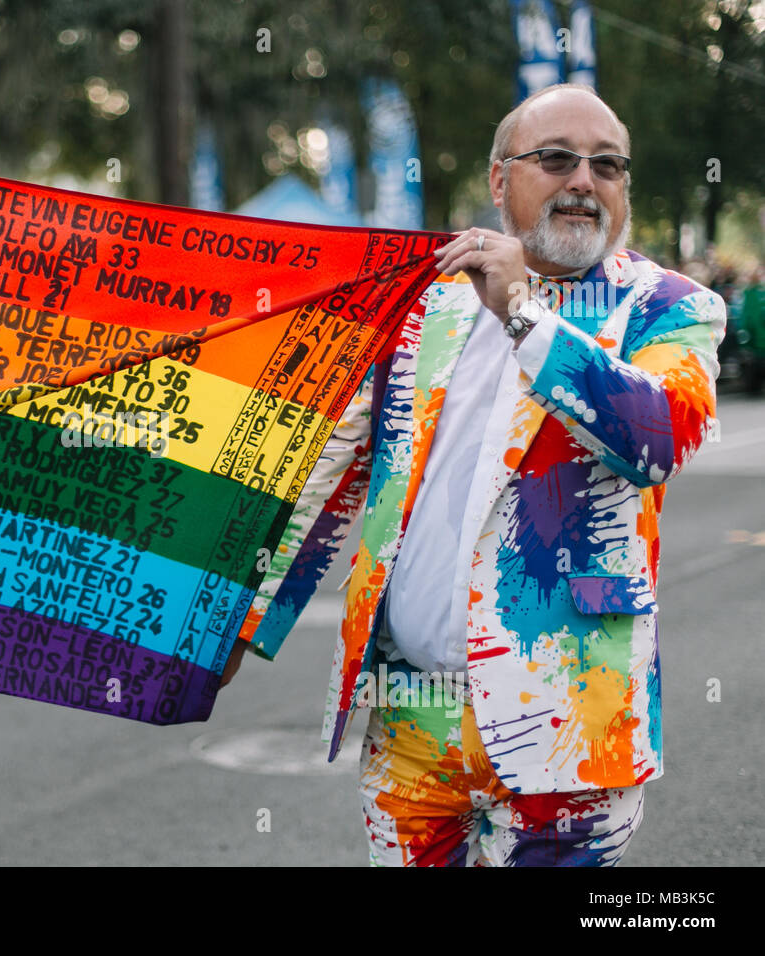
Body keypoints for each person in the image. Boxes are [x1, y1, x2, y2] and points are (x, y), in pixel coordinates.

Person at [220, 83, 725, 866]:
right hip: (410, 714)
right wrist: (239, 620)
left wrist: (523, 312)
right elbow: (329, 472)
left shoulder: (672, 307)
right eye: (556, 159)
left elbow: (654, 436)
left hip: (569, 725)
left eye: (608, 166)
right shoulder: (425, 304)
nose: (584, 182)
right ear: (499, 180)